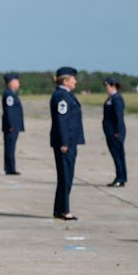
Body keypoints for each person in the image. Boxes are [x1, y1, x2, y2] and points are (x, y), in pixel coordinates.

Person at [49, 67, 83, 221]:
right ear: (66, 80)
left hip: (69, 141)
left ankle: (59, 209)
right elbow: (61, 120)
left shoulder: (65, 95)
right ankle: (64, 210)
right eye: (73, 79)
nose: (75, 81)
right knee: (65, 177)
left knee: (66, 176)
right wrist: (63, 142)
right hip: (65, 143)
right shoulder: (61, 96)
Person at [102, 77, 127, 187]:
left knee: (118, 156)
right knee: (116, 155)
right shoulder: (111, 98)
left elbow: (119, 117)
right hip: (110, 132)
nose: (106, 88)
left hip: (115, 133)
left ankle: (120, 178)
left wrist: (117, 131)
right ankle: (121, 177)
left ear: (113, 86)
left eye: (107, 86)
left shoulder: (116, 99)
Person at [1, 72, 24, 176]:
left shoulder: (11, 94)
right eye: (16, 81)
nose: (18, 83)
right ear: (11, 83)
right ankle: (10, 168)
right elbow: (9, 111)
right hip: (11, 126)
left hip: (13, 125)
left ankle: (10, 167)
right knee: (10, 147)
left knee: (11, 147)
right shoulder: (9, 95)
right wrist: (11, 125)